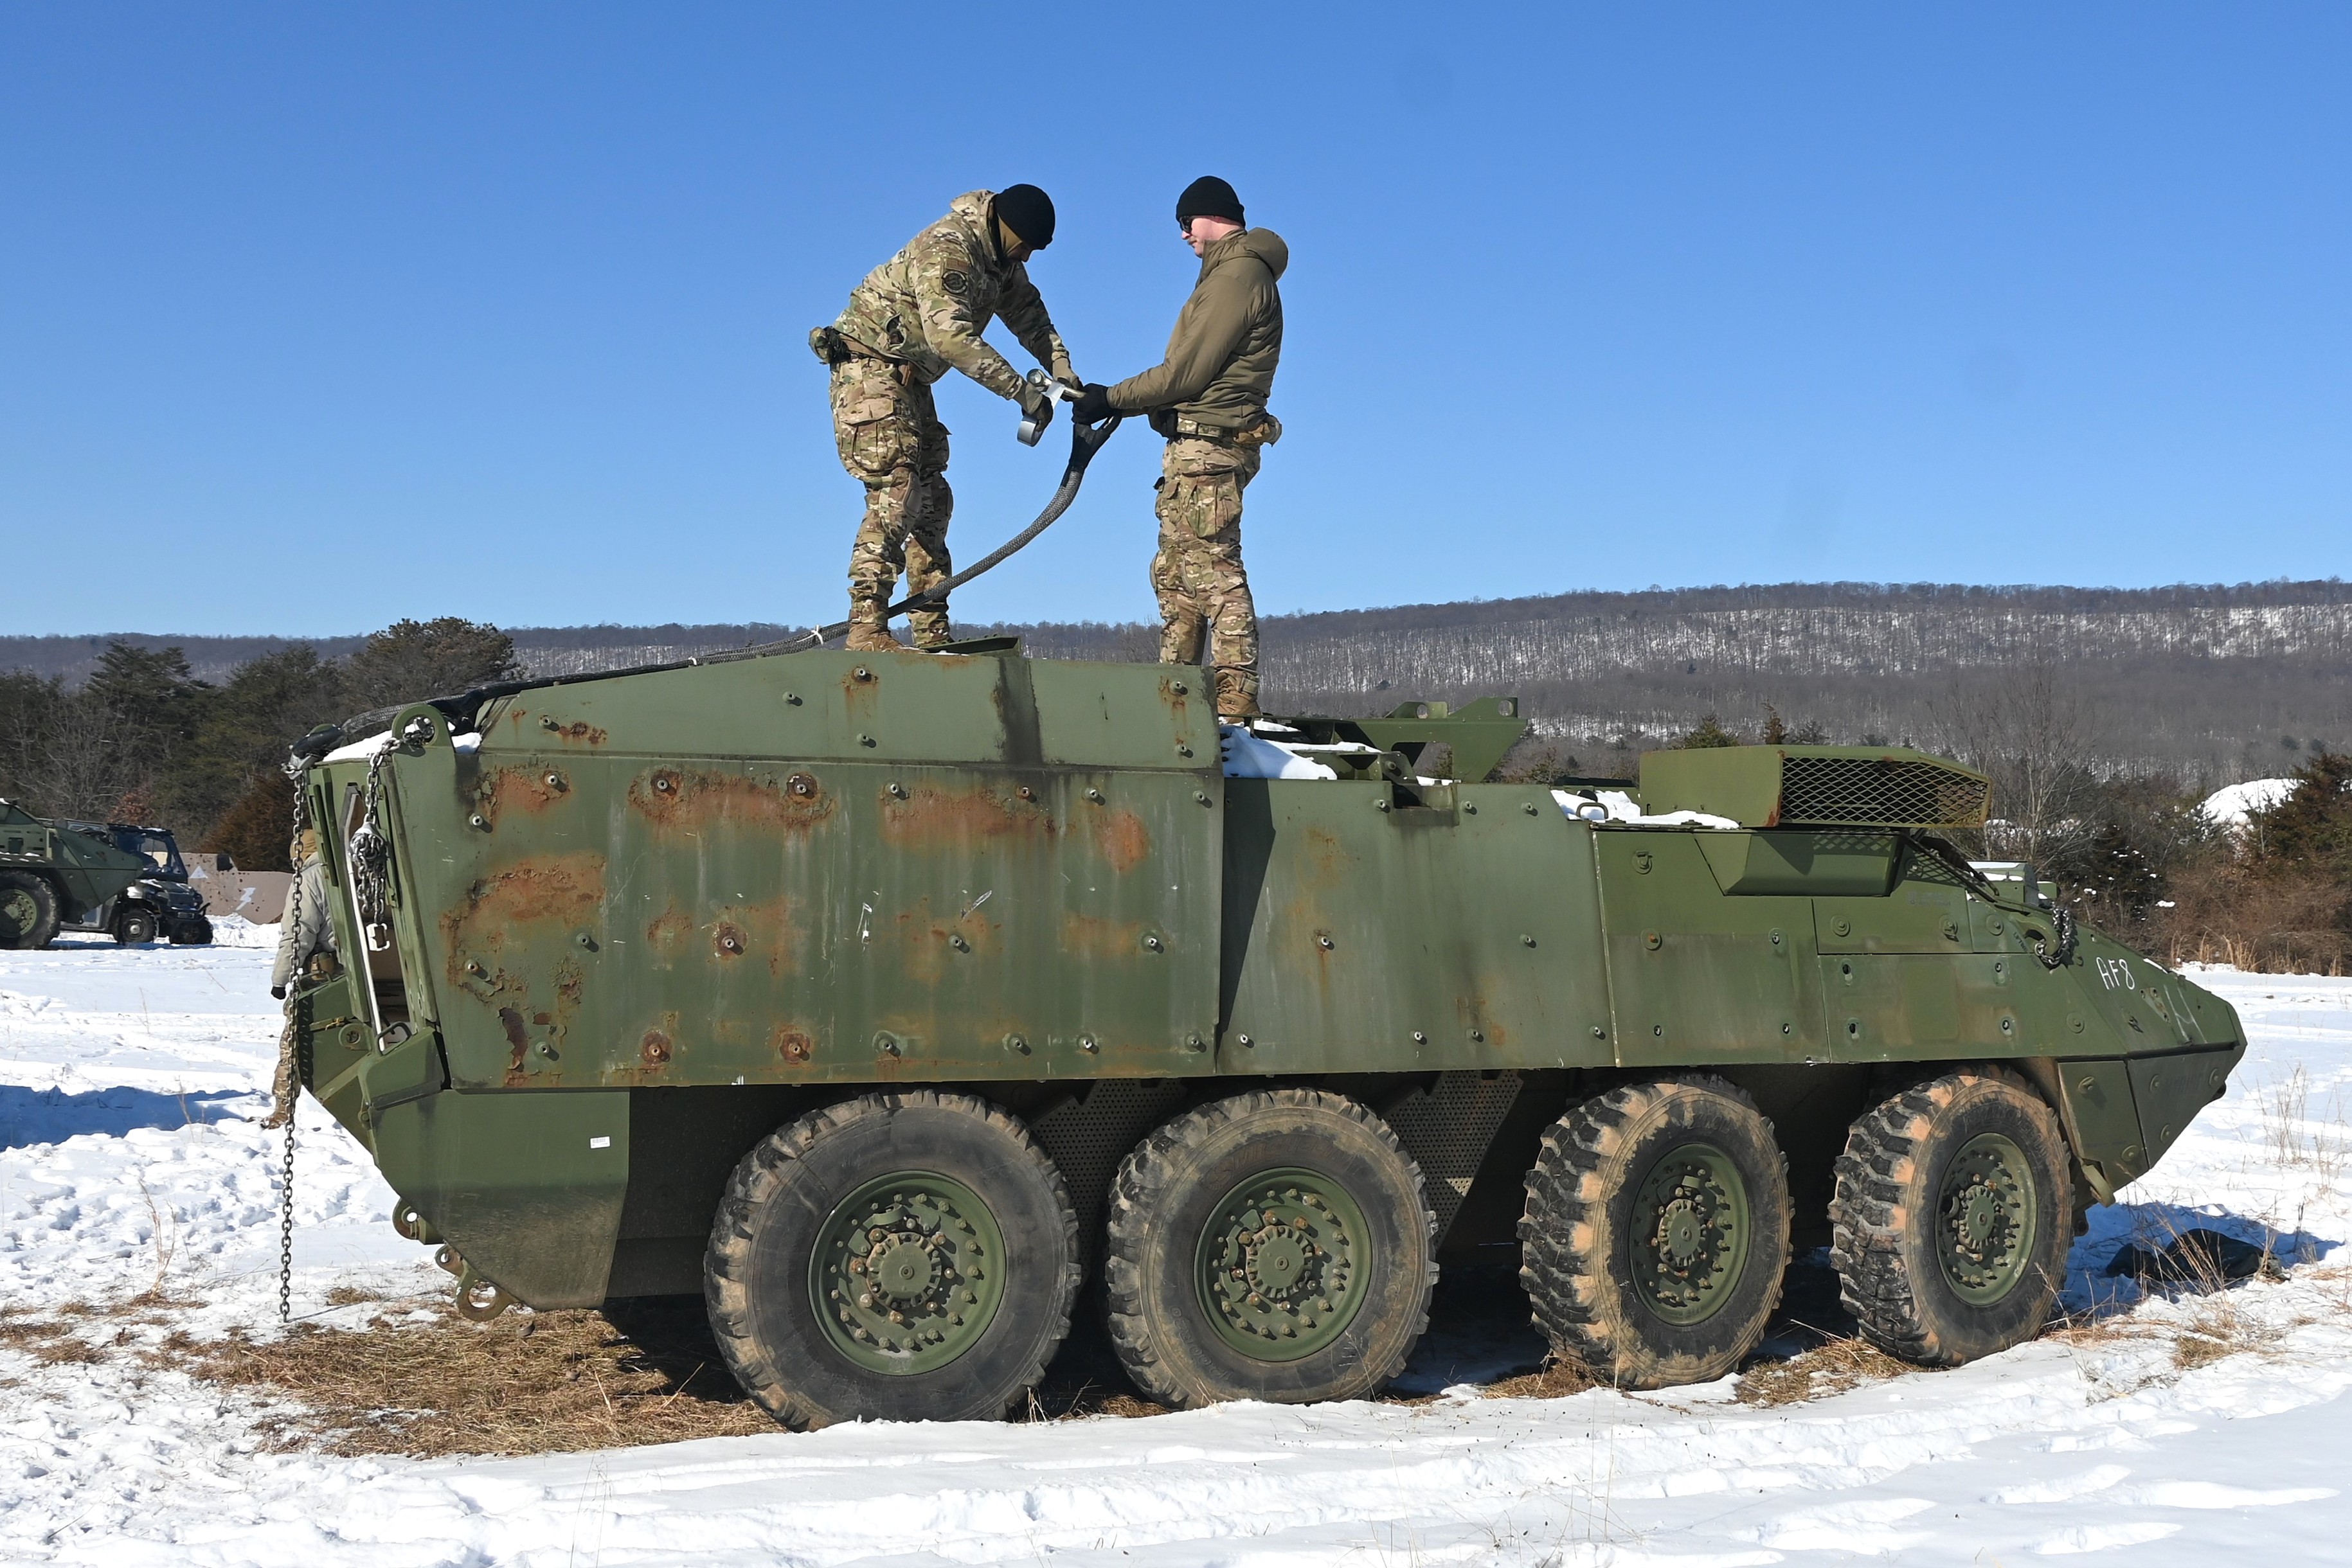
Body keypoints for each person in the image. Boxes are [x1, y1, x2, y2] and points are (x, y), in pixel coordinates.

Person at [814, 186, 1079, 652]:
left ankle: (931, 633)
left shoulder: (1001, 263)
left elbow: (1030, 318)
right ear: (1005, 228)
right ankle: (866, 627)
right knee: (898, 492)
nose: (1029, 258)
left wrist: (1061, 369)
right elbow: (951, 339)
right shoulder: (948, 249)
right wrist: (1021, 393)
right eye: (1027, 246)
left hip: (911, 379)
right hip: (869, 370)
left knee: (934, 501)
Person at [1072, 177, 1286, 718]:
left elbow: (1185, 372)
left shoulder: (1236, 276)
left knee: (1213, 570)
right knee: (1176, 575)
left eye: (1185, 223)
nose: (1184, 236)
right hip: (1195, 444)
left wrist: (1112, 398)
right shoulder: (1228, 275)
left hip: (1208, 450)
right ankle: (1176, 696)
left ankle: (1234, 698)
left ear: (1209, 218)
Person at [265, 830, 335, 1128]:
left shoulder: (308, 880)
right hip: (361, 968)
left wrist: (279, 980)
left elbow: (297, 935)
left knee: (292, 1044)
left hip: (322, 973)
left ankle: (282, 1110)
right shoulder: (351, 871)